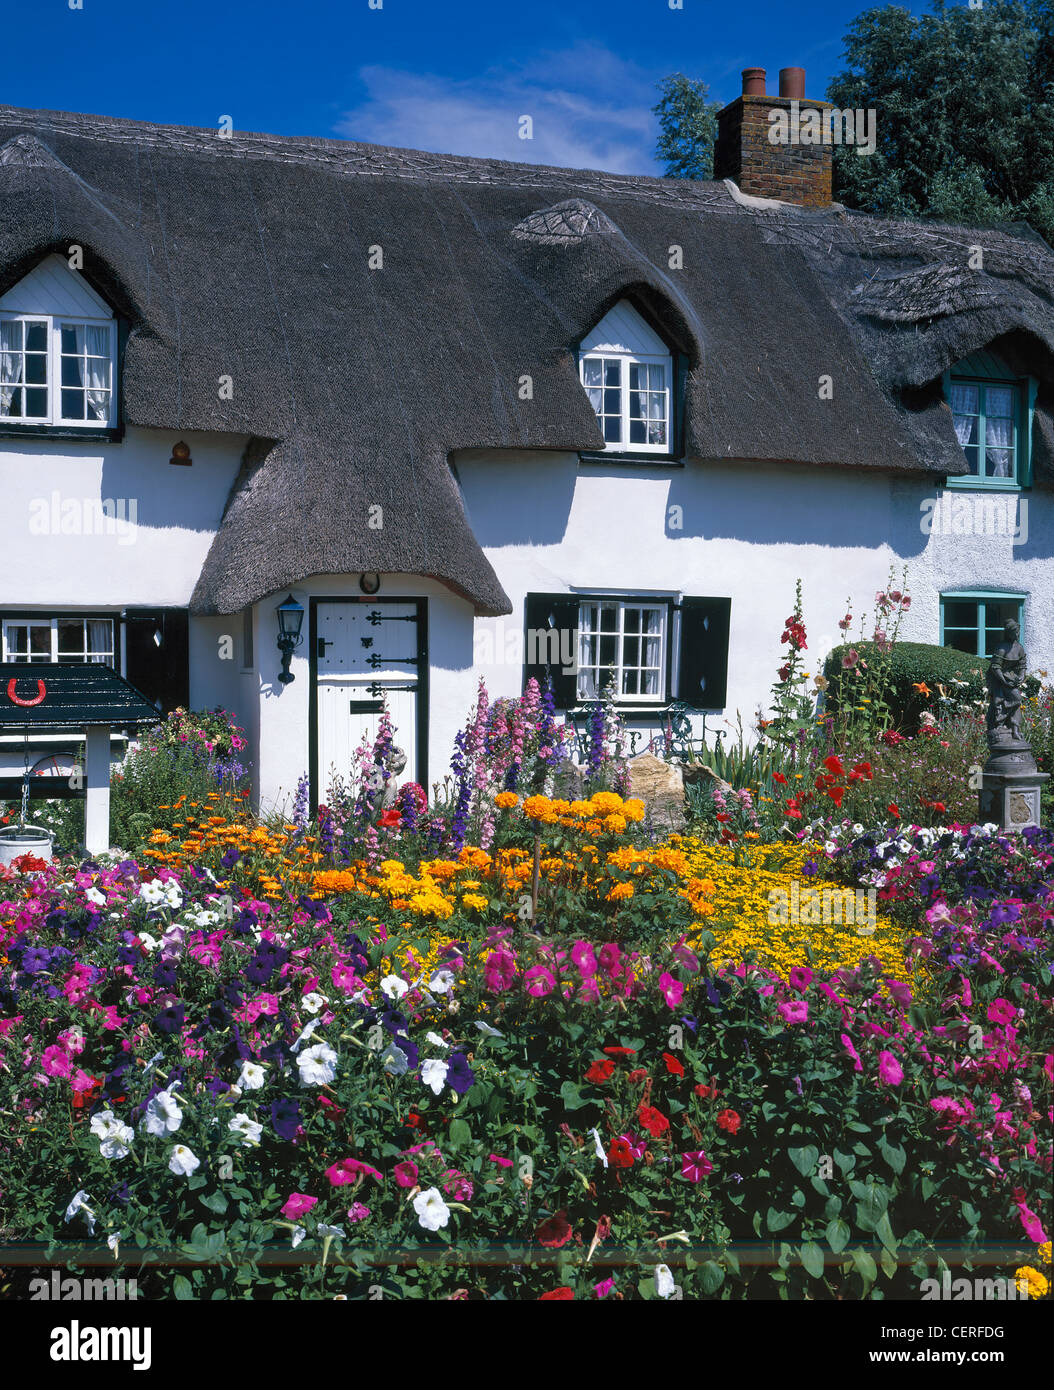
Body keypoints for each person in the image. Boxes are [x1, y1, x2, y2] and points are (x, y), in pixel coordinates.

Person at [985, 620, 1026, 743]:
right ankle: (999, 725)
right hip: (998, 679)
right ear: (1008, 633)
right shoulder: (1001, 648)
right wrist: (1004, 681)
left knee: (1017, 701)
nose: (1017, 635)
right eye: (1014, 632)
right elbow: (995, 667)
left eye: (1018, 632)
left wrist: (1021, 677)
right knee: (1010, 699)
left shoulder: (1019, 648)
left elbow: (1022, 665)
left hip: (1010, 678)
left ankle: (1015, 729)